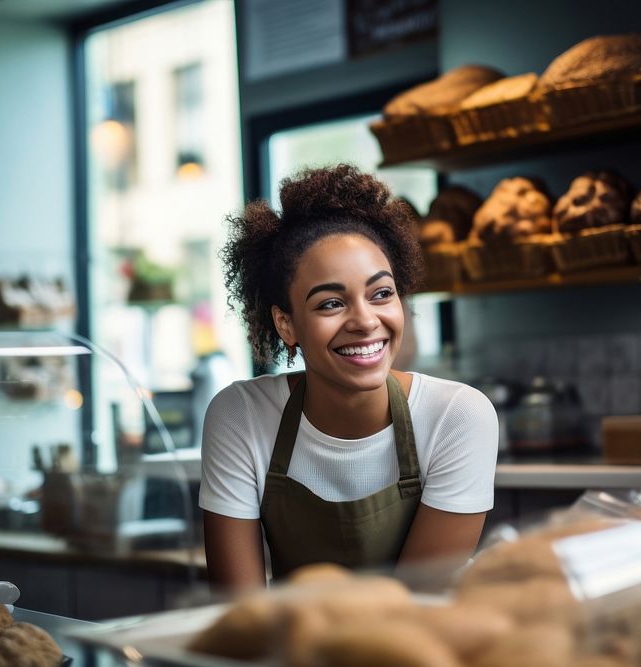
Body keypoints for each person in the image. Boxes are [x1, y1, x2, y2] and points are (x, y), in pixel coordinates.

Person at [199, 165, 498, 592]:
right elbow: (240, 610)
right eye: (330, 303)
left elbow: (414, 605)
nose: (364, 321)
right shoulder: (240, 416)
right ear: (286, 324)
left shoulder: (458, 415)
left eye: (381, 294)